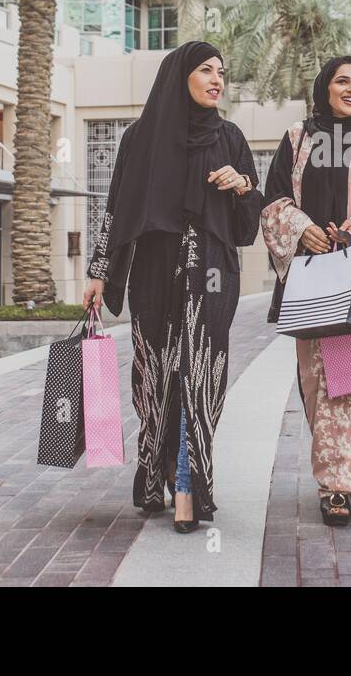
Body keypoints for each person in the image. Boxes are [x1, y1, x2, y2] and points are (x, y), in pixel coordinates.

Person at [83, 41, 263, 533]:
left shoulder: (229, 138)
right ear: (179, 74)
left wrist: (242, 186)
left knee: (198, 377)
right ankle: (157, 471)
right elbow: (117, 210)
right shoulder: (141, 138)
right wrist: (99, 270)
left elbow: (250, 224)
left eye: (221, 72)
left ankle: (188, 484)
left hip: (212, 270)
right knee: (155, 381)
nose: (216, 79)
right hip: (154, 271)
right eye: (206, 69)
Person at [260, 57, 351, 525]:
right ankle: (346, 469)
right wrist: (302, 229)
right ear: (324, 88)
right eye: (342, 80)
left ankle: (339, 487)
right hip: (310, 279)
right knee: (316, 384)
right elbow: (273, 202)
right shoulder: (297, 140)